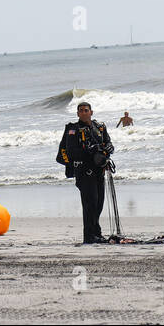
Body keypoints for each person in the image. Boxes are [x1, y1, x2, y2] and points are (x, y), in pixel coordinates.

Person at [56, 101, 115, 244]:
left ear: (91, 112)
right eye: (81, 110)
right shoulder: (73, 130)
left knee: (99, 203)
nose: (84, 112)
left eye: (86, 110)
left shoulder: (99, 127)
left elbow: (108, 143)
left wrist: (106, 151)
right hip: (84, 171)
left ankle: (96, 233)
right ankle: (89, 236)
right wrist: (89, 151)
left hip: (99, 170)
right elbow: (70, 151)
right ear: (77, 113)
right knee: (90, 204)